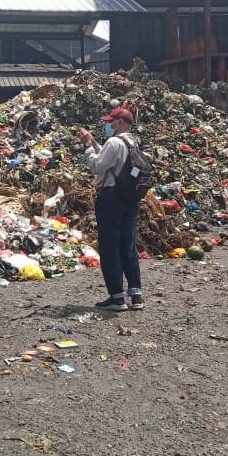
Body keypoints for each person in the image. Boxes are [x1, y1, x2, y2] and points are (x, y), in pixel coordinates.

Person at [78, 106, 144, 311]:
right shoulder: (132, 142)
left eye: (111, 121)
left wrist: (88, 146)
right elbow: (112, 160)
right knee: (128, 246)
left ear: (120, 123)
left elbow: (97, 166)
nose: (108, 125)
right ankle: (136, 295)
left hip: (111, 198)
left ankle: (117, 298)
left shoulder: (114, 142)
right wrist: (96, 143)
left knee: (110, 248)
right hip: (129, 199)